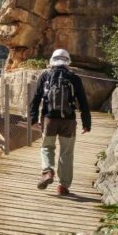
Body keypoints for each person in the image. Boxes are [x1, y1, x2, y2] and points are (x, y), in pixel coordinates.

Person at [29, 49, 91, 196]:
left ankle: (48, 171)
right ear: (67, 61)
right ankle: (63, 186)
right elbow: (83, 102)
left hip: (49, 119)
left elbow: (36, 99)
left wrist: (33, 119)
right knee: (66, 153)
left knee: (47, 147)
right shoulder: (74, 77)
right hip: (68, 121)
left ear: (52, 60)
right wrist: (86, 123)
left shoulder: (45, 75)